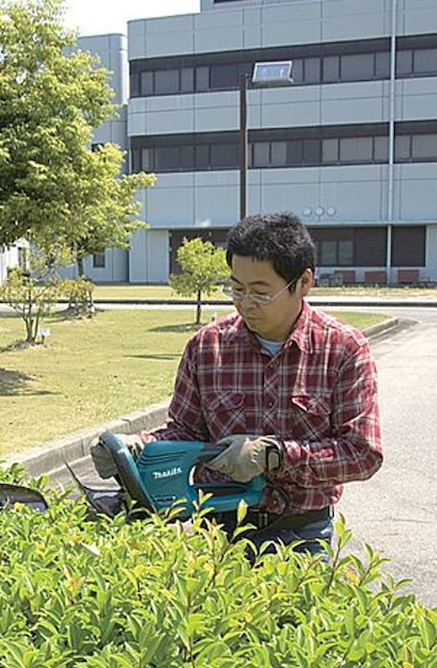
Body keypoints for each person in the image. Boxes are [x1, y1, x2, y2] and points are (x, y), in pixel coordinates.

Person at [91, 212, 383, 555]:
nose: (245, 303)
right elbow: (185, 431)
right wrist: (135, 446)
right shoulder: (207, 346)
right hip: (217, 530)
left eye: (260, 292)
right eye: (236, 288)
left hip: (302, 533)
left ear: (303, 283)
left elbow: (362, 454)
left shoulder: (343, 349)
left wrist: (274, 455)